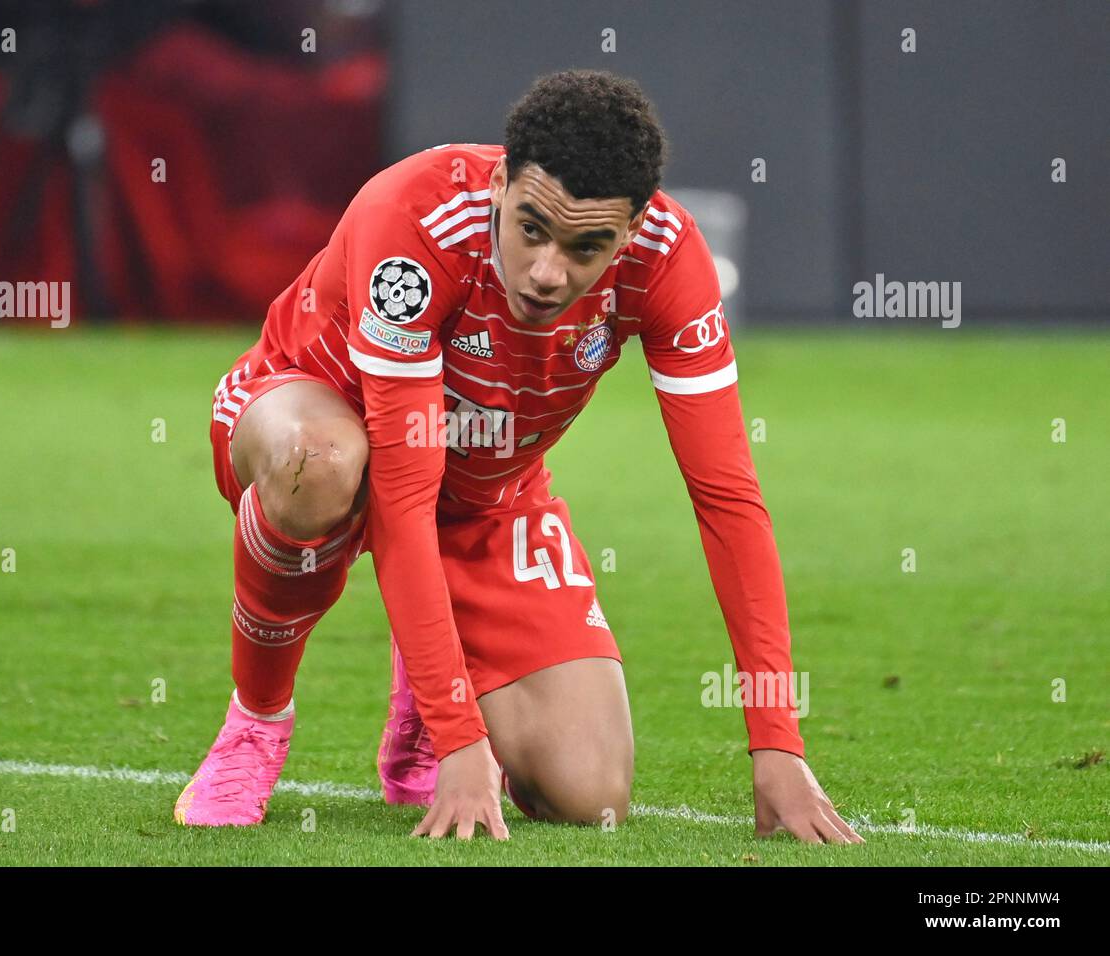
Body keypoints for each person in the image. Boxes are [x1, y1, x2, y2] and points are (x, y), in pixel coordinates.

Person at [175, 69, 862, 844]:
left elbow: (728, 500)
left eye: (586, 247)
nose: (547, 271)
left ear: (631, 233)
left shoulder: (670, 262)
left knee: (590, 795)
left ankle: (420, 695)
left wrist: (778, 743)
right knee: (323, 464)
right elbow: (401, 495)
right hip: (309, 409)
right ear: (501, 181)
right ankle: (257, 725)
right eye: (531, 227)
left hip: (482, 485)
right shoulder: (414, 218)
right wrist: (465, 737)